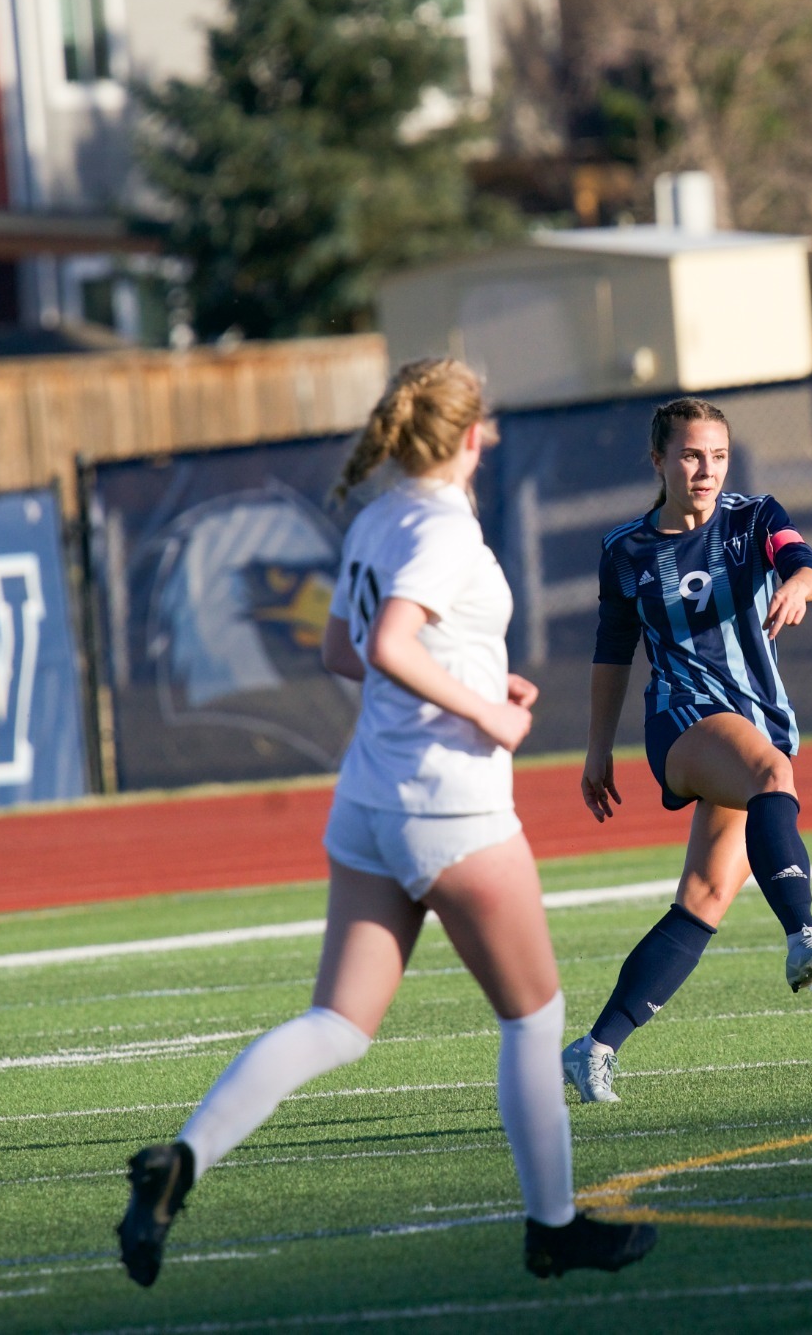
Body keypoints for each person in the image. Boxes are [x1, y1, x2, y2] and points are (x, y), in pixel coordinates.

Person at [118, 359, 656, 1284]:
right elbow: (386, 643)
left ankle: (184, 1159)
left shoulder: (377, 518)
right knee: (536, 1017)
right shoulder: (445, 527)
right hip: (450, 804)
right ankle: (554, 1224)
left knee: (337, 1021)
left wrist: (482, 682)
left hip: (368, 801)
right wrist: (488, 715)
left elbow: (341, 648)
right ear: (472, 435)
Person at [562, 397, 812, 1105]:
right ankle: (802, 930)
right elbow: (611, 654)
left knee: (707, 895)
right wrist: (598, 749)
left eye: (716, 454)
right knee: (771, 773)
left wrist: (801, 588)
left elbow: (803, 562)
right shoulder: (627, 551)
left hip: (756, 719)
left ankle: (593, 1047)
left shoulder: (755, 518)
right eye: (689, 455)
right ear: (658, 461)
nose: (706, 469)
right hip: (683, 723)